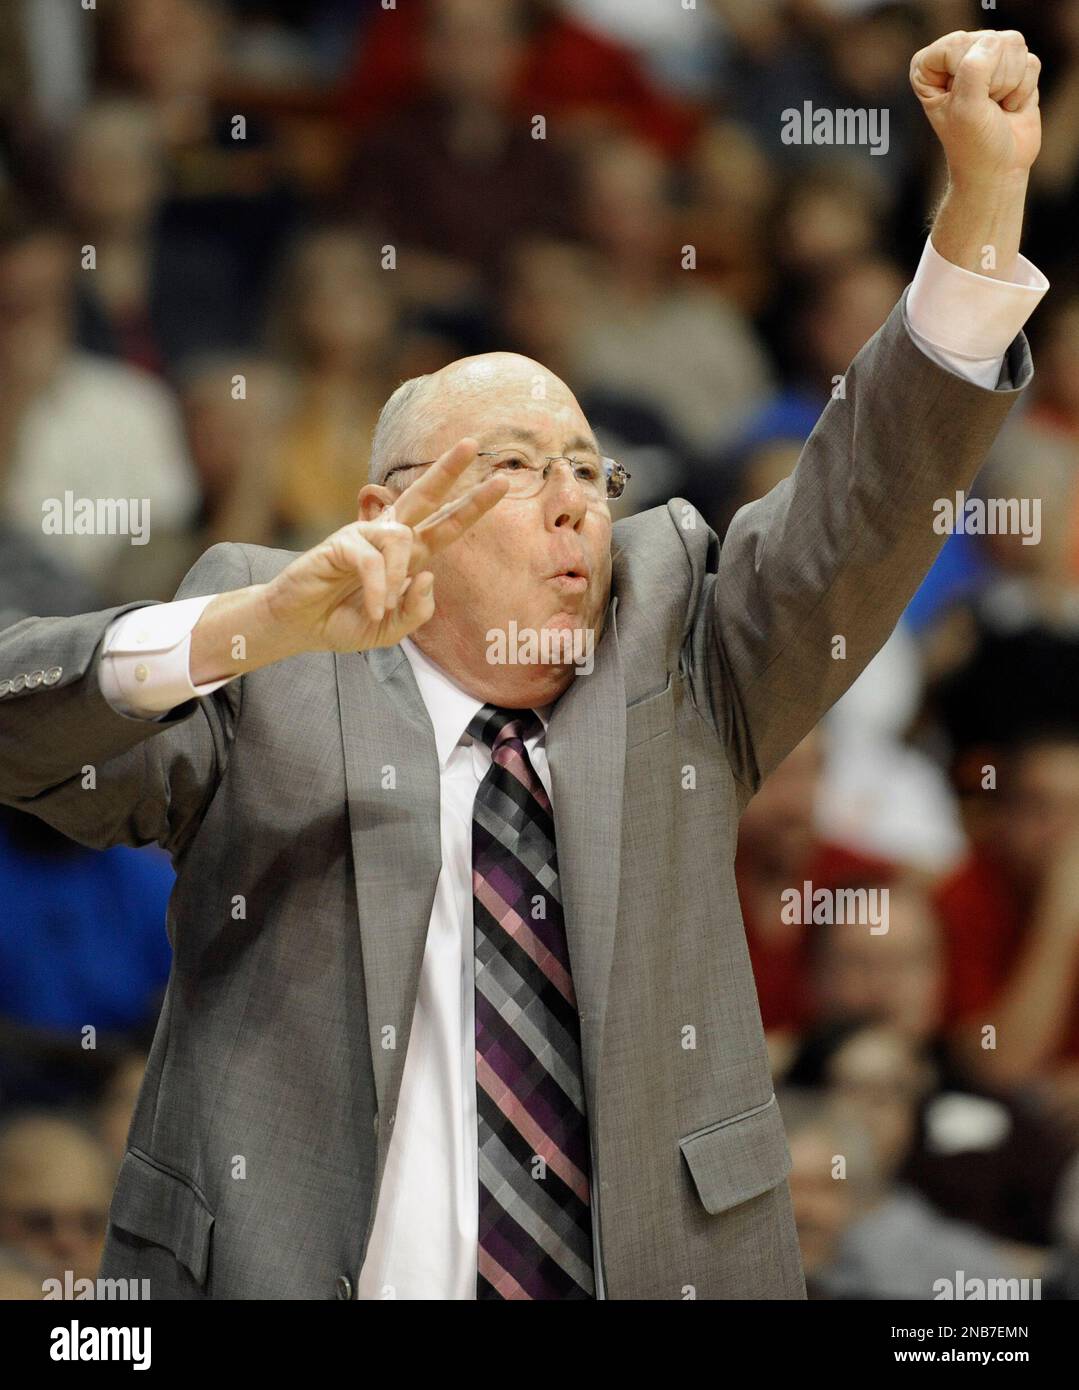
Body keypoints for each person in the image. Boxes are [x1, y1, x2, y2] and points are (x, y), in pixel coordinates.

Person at [0, 30, 1050, 1299]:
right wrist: (246, 635)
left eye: (587, 471)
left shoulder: (685, 644)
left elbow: (867, 494)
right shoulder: (267, 647)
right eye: (513, 464)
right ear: (386, 511)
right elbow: (28, 741)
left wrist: (983, 201)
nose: (573, 505)